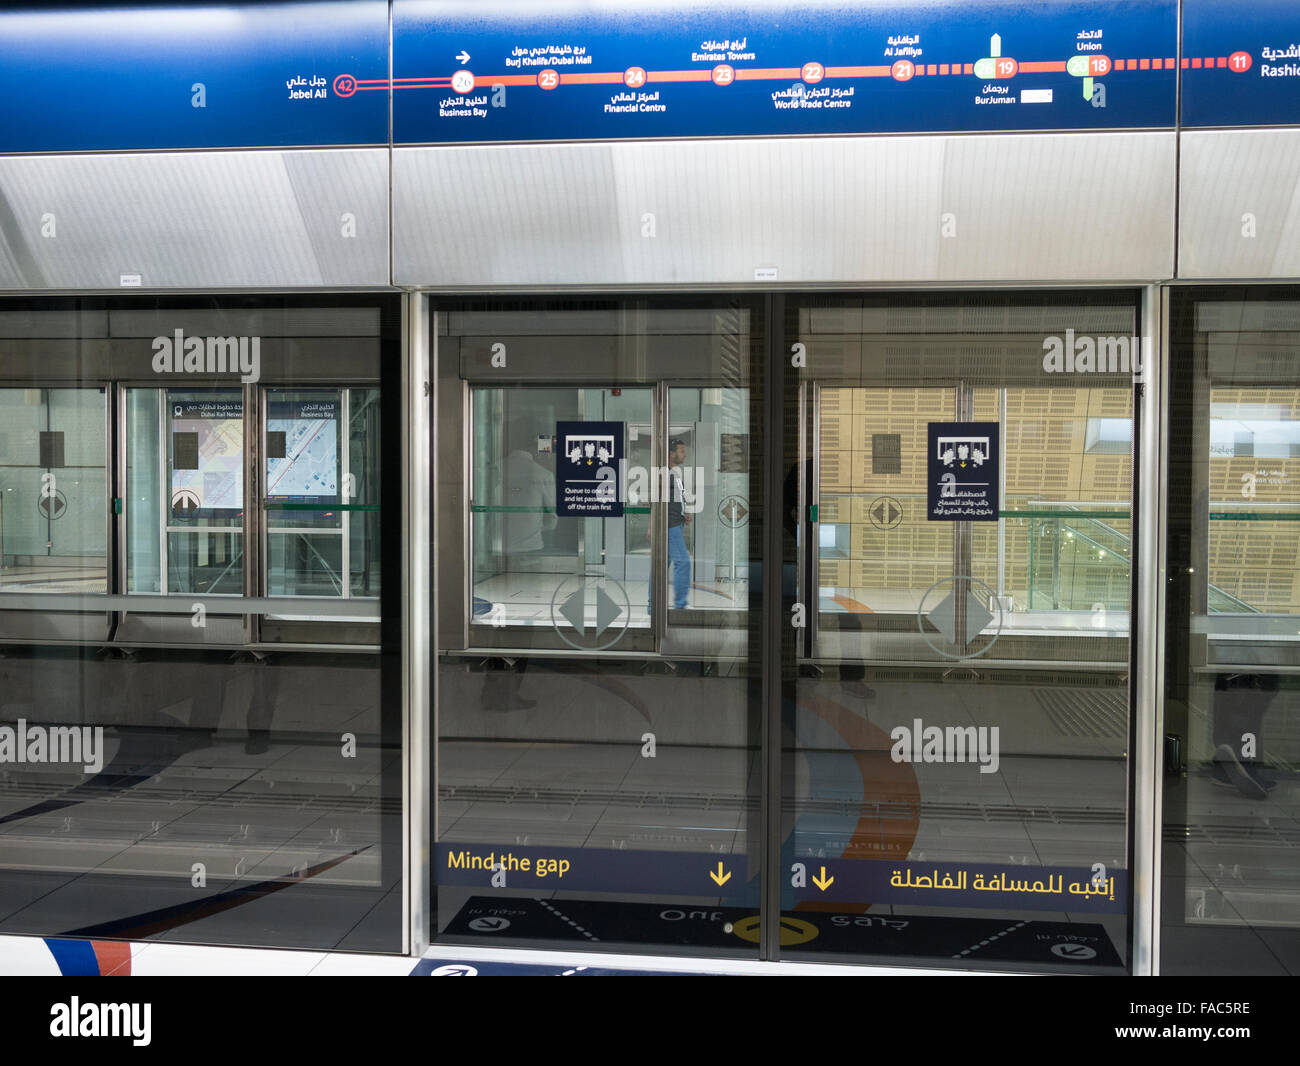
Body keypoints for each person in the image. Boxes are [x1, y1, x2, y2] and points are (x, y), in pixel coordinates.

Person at [650, 438, 692, 611]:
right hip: (669, 525)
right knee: (683, 562)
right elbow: (654, 500)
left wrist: (685, 513)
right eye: (681, 451)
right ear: (671, 453)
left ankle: (652, 607)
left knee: (660, 566)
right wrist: (651, 526)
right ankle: (680, 606)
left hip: (676, 522)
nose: (684, 454)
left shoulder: (674, 472)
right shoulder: (663, 473)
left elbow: (677, 497)